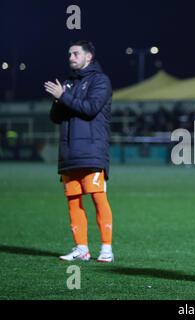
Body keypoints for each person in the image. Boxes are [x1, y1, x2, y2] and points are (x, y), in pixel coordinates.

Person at [45, 40, 114, 262]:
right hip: (69, 153)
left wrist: (63, 96)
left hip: (92, 151)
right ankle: (81, 248)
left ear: (89, 56)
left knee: (98, 198)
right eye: (69, 54)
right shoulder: (67, 83)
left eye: (75, 53)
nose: (71, 57)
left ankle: (106, 249)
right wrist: (59, 98)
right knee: (73, 200)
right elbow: (55, 118)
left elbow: (90, 109)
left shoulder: (101, 81)